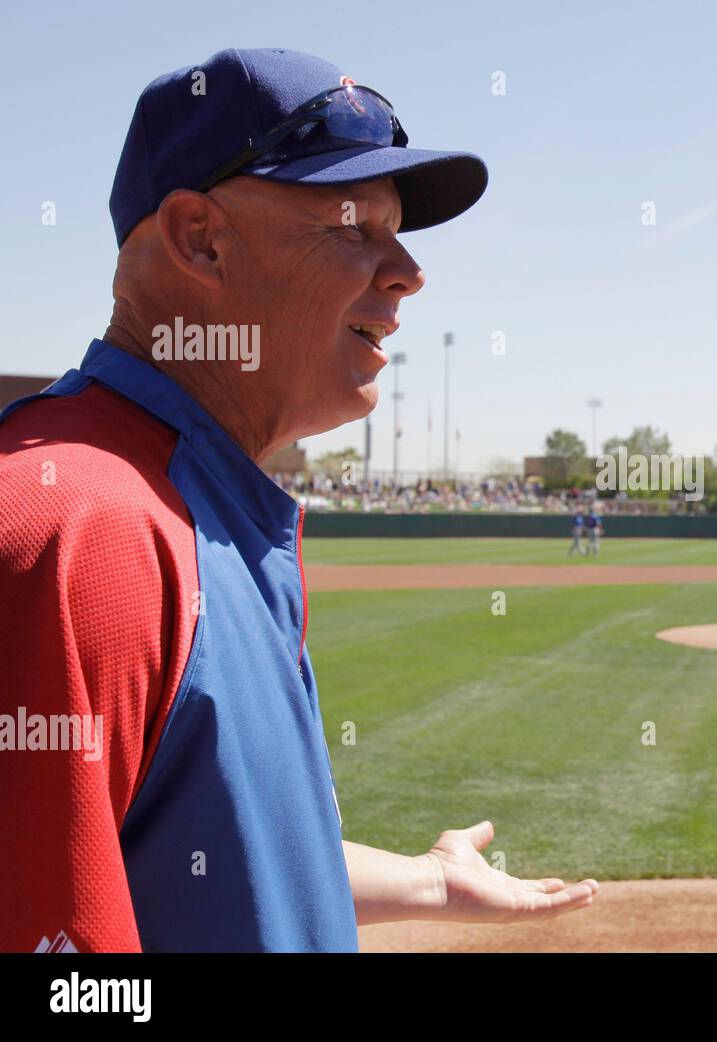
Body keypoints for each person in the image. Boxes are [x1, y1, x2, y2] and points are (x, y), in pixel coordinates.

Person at [0, 48, 596, 953]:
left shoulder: (192, 503)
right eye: (355, 226)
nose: (407, 271)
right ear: (200, 238)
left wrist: (426, 881)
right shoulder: (73, 527)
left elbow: (193, 854)